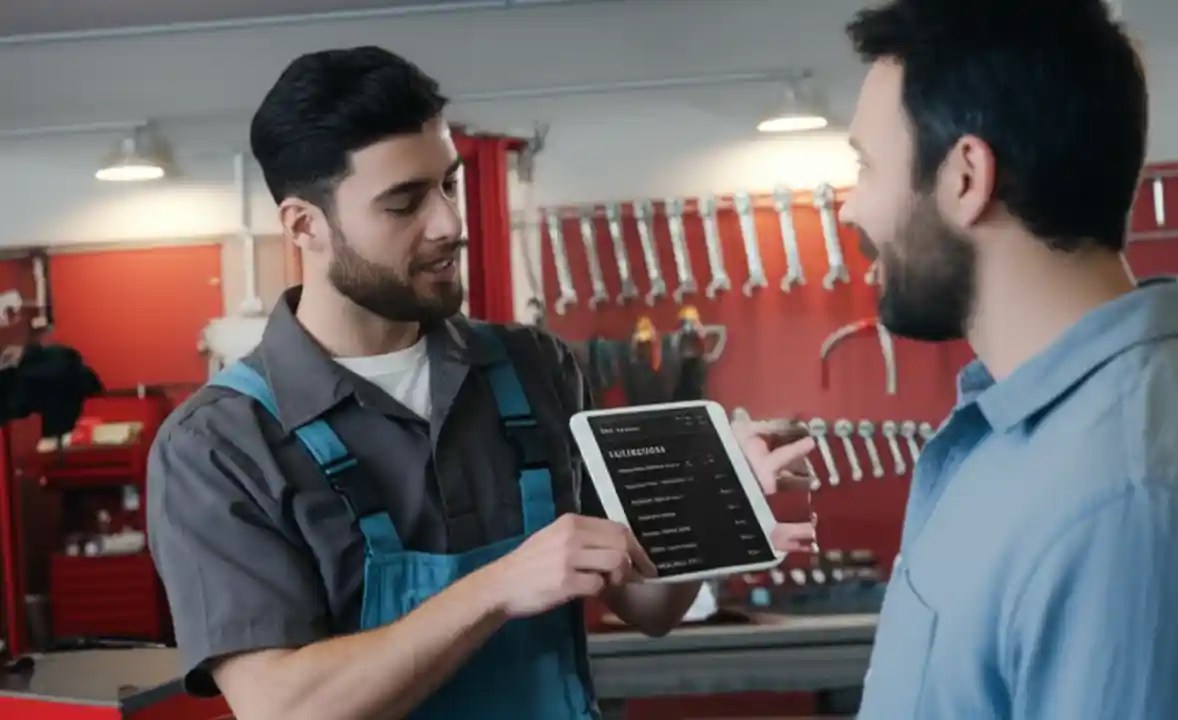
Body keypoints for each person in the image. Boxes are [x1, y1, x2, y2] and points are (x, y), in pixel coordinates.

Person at [146, 46, 816, 720]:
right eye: (405, 202)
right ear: (305, 226)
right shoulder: (220, 444)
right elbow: (283, 708)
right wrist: (497, 588)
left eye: (449, 184)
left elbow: (647, 606)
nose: (449, 224)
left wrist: (716, 500)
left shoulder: (534, 369)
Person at [838, 1, 1178, 718]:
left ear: (965, 178)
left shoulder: (1127, 505)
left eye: (866, 166)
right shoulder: (1026, 434)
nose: (850, 209)